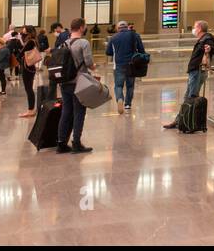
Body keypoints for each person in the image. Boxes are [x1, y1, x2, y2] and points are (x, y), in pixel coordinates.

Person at [164, 21, 214, 130]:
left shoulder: (206, 38)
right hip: (195, 71)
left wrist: (210, 48)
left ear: (199, 28)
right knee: (189, 96)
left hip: (198, 72)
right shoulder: (203, 39)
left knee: (191, 97)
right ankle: (181, 120)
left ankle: (184, 121)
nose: (193, 29)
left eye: (195, 27)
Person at [56, 18, 96, 154]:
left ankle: (61, 143)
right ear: (80, 28)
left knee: (66, 112)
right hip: (79, 82)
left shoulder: (64, 43)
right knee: (79, 112)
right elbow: (89, 62)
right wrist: (93, 67)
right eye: (84, 27)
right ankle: (76, 143)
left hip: (65, 82)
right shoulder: (83, 43)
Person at [105, 20, 146, 114]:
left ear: (117, 28)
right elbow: (141, 50)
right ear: (127, 27)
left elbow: (108, 52)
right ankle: (128, 104)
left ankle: (120, 99)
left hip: (119, 64)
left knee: (118, 85)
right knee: (130, 85)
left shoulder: (113, 37)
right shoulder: (135, 35)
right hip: (132, 64)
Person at [16, 27, 39, 119]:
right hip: (30, 67)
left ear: (28, 32)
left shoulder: (30, 42)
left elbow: (20, 54)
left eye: (24, 30)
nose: (22, 32)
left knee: (28, 89)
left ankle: (30, 110)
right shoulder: (33, 41)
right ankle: (31, 110)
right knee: (29, 89)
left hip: (27, 68)